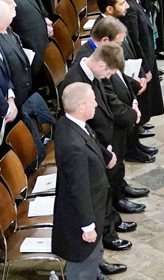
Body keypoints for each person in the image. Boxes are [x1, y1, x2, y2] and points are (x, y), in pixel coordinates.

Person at [52, 81, 126, 279]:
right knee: (83, 265)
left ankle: (96, 272)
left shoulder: (72, 123)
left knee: (93, 255)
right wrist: (87, 226)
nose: (96, 104)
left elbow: (91, 140)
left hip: (96, 206)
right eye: (93, 100)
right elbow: (79, 188)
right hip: (82, 216)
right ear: (81, 107)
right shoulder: (73, 146)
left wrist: (106, 157)